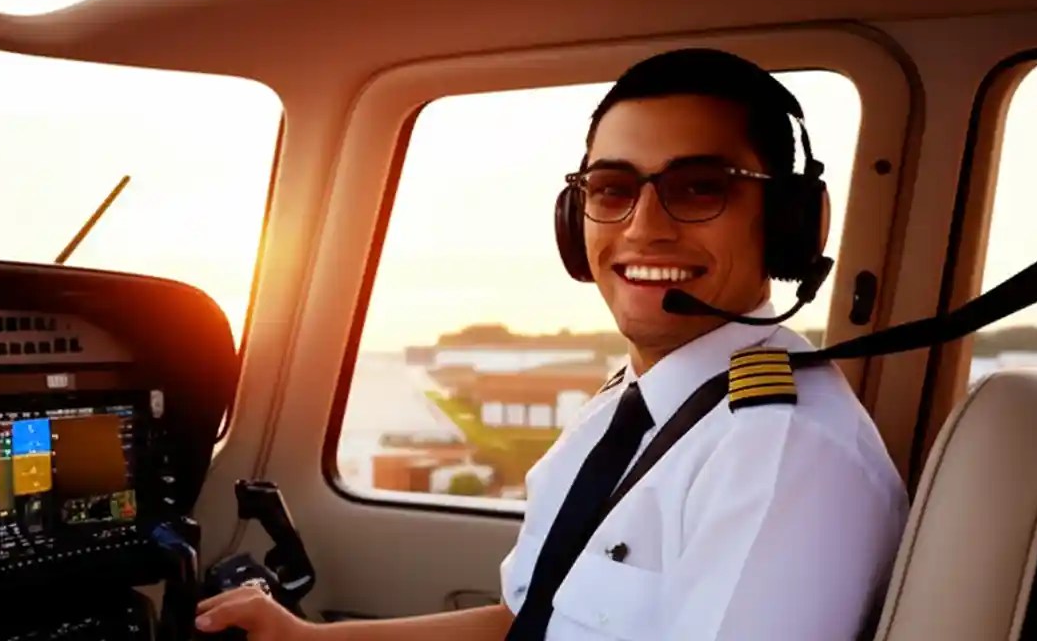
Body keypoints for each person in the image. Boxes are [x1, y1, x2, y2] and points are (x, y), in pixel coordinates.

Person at [194, 48, 910, 640]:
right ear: (577, 217)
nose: (643, 227)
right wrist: (304, 638)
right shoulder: (629, 406)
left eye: (698, 188)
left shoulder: (778, 455)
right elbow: (527, 622)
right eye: (612, 188)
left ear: (788, 223)